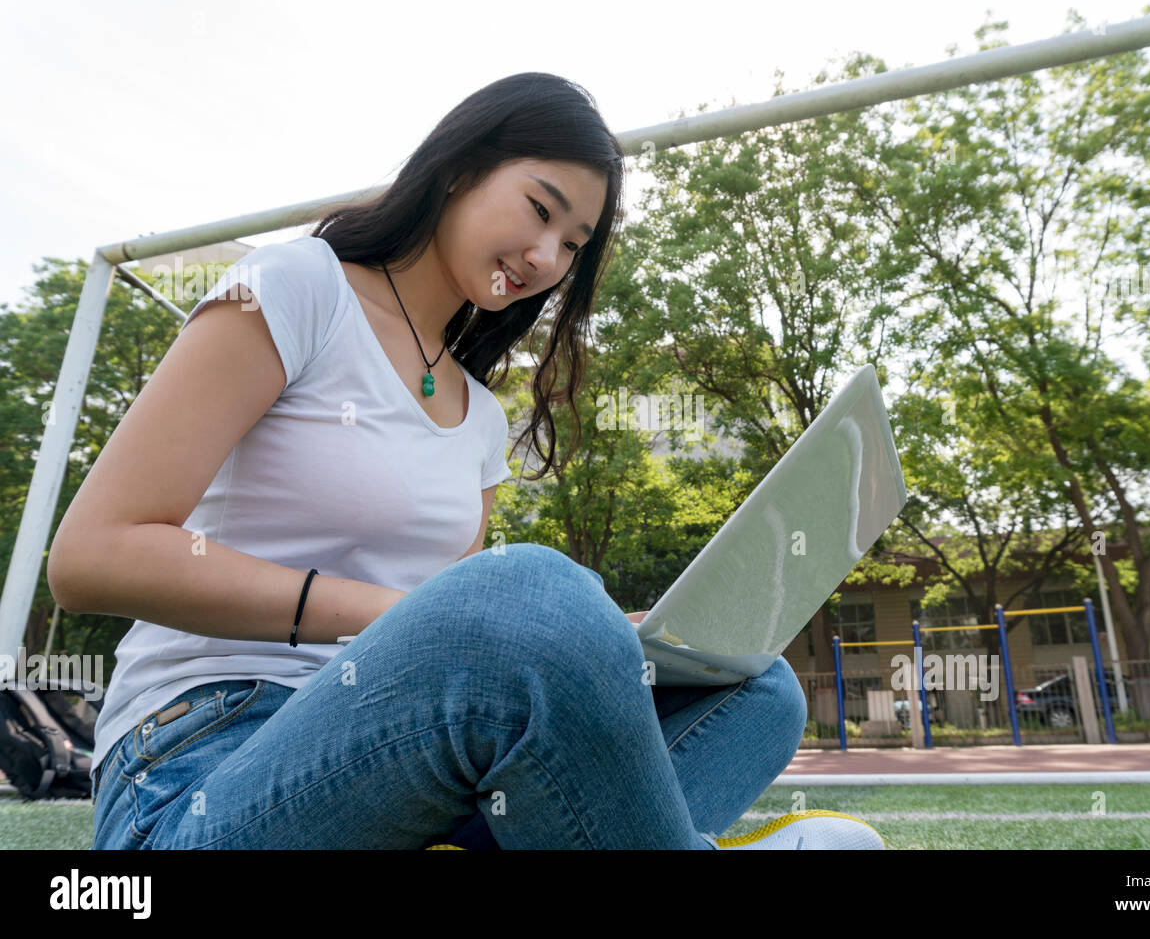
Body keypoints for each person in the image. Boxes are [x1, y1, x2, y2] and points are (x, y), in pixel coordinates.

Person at [47, 72, 880, 849]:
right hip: (203, 756)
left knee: (755, 688)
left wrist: (595, 645)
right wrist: (402, 618)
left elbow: (466, 646)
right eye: (539, 209)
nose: (549, 259)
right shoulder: (295, 286)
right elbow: (91, 556)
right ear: (458, 170)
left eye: (574, 243)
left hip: (409, 766)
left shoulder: (479, 416)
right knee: (532, 591)